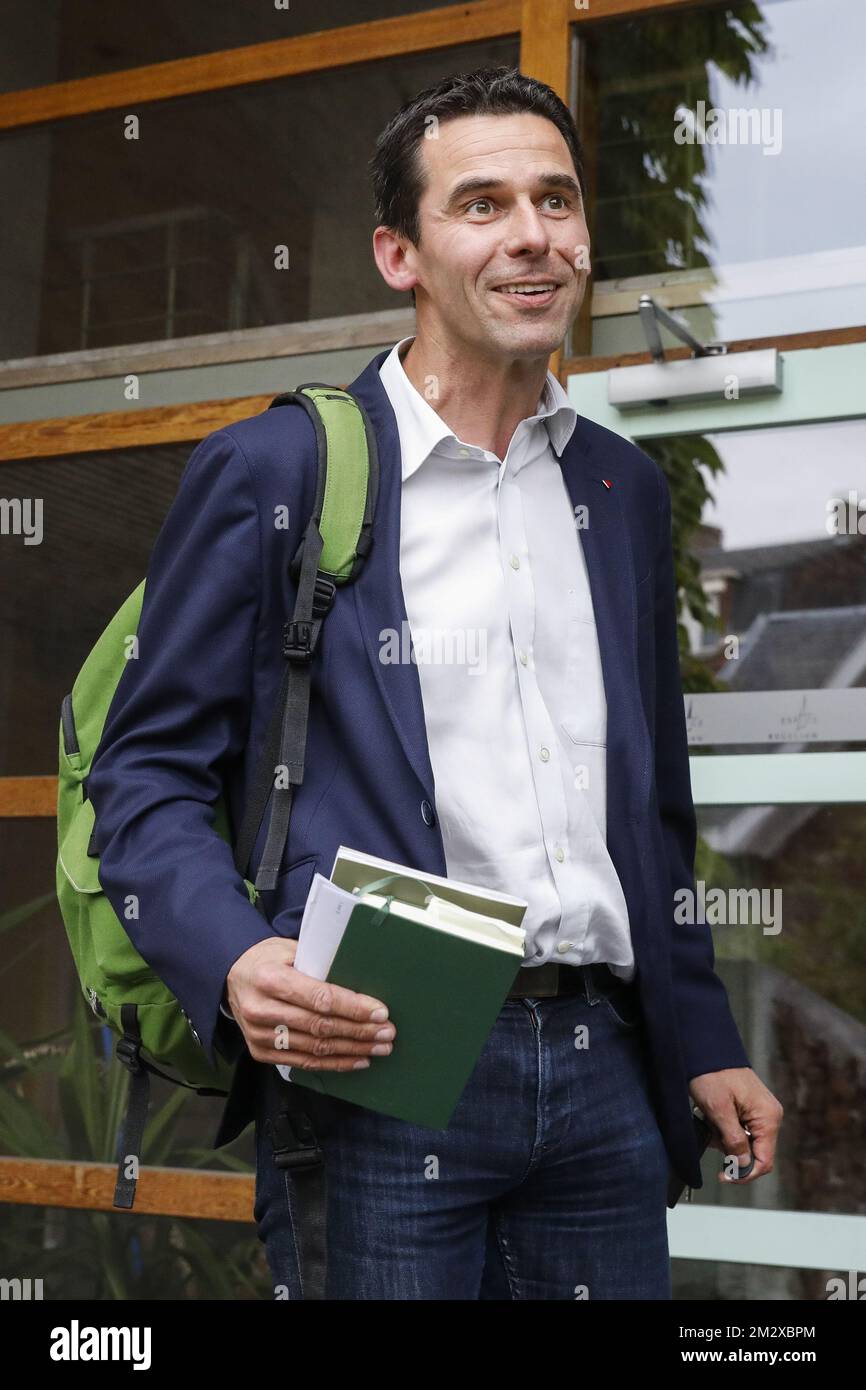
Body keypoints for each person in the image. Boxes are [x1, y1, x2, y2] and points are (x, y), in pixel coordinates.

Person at [89, 66, 783, 1300]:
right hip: (379, 1067)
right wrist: (234, 956)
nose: (532, 234)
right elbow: (141, 775)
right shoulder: (275, 469)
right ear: (398, 254)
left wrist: (702, 1036)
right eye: (482, 203)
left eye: (555, 201)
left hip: (602, 1070)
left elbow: (651, 808)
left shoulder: (621, 493)